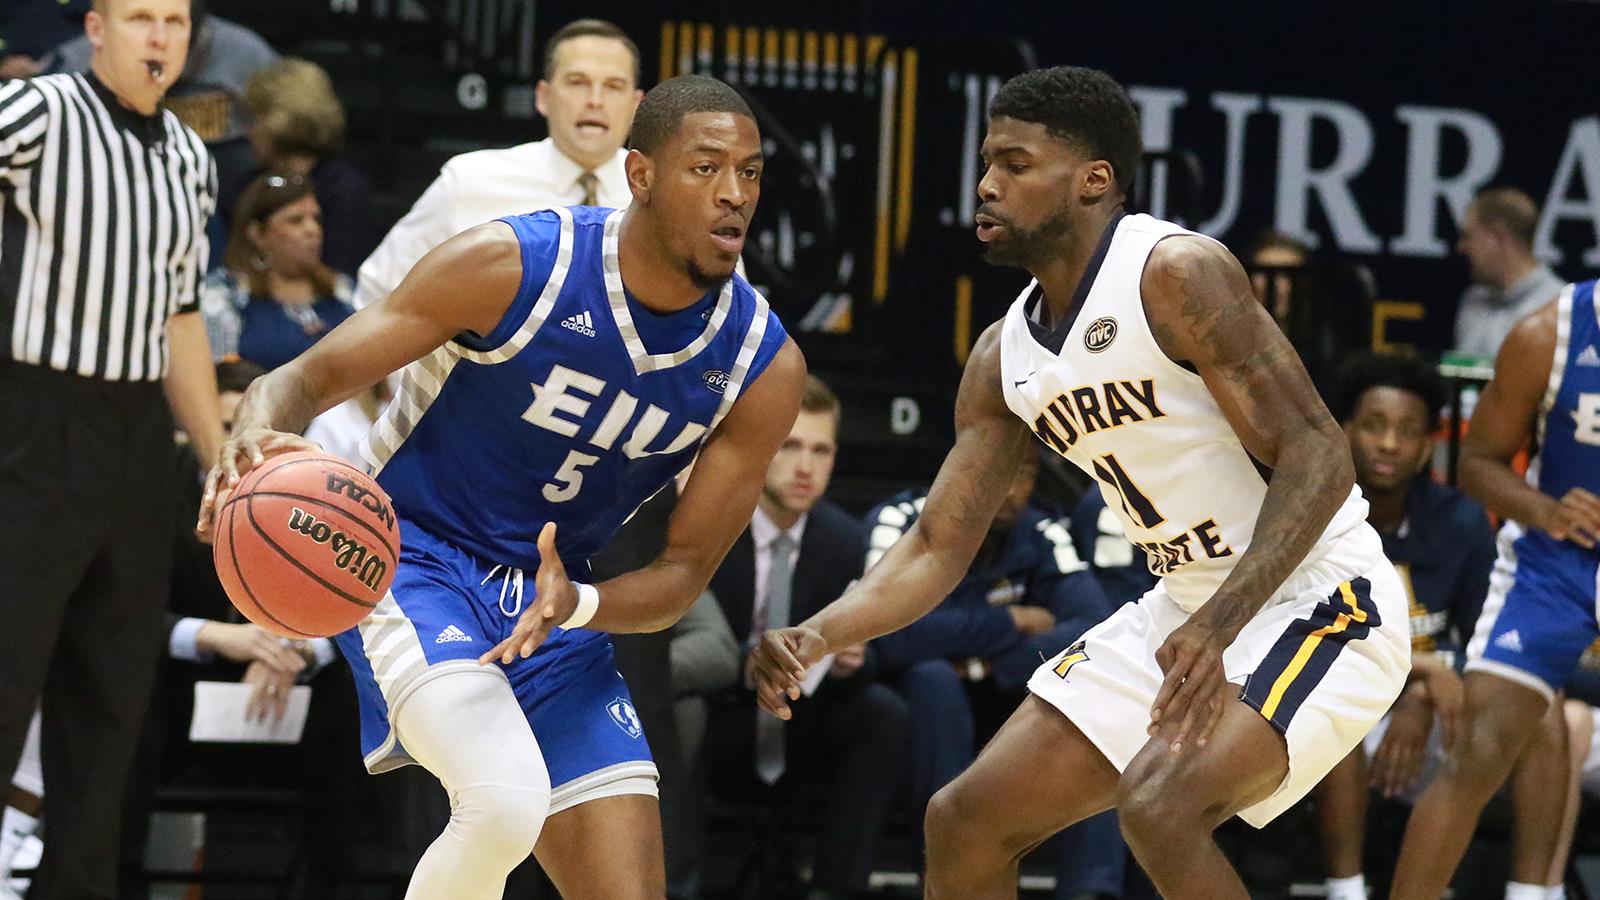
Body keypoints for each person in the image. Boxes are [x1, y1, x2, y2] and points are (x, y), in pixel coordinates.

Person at [750, 65, 1411, 900]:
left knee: (1160, 808)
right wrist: (820, 631)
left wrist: (1220, 619)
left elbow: (1320, 451)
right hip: (1186, 609)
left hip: (1319, 595)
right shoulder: (1003, 357)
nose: (987, 185)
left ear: (1093, 181)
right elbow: (936, 543)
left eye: (1016, 164)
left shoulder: (1173, 274)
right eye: (987, 162)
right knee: (964, 821)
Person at [196, 74, 804, 900]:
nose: (734, 194)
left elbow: (679, 580)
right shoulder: (517, 264)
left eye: (751, 171)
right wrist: (250, 441)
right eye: (705, 168)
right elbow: (301, 379)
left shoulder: (759, 368)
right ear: (641, 176)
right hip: (405, 558)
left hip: (548, 602)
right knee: (503, 800)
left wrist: (577, 606)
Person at [0, 1, 223, 896]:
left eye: (173, 20)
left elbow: (181, 316)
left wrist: (215, 456)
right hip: (34, 418)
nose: (159, 36)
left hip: (139, 437)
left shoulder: (192, 158)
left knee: (111, 700)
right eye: (140, 17)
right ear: (96, 29)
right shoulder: (43, 109)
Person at [1388, 279, 1600, 900]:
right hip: (1552, 567)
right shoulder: (1547, 335)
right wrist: (1545, 509)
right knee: (1481, 746)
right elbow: (1477, 462)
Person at [701, 375, 911, 900]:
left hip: (799, 716)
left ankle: (839, 888)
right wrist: (746, 666)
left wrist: (853, 659)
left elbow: (881, 648)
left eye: (821, 450)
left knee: (883, 712)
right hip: (721, 711)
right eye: (790, 446)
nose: (805, 467)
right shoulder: (712, 524)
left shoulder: (844, 538)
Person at [1305, 352, 1496, 900]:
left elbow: (1487, 640)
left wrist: (1419, 696)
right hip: (1328, 698)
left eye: (1407, 432)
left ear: (1426, 449)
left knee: (1508, 720)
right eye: (1374, 425)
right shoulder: (1311, 513)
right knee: (1338, 719)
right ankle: (1347, 890)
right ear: (1343, 432)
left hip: (1432, 709)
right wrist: (1417, 673)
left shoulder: (1460, 522)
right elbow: (1299, 632)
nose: (1390, 443)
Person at [868, 452, 1115, 825]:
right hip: (911, 694)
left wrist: (983, 666)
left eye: (1024, 475)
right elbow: (890, 634)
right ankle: (942, 849)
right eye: (999, 473)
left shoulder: (1042, 529)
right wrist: (1011, 620)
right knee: (933, 676)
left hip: (1003, 688)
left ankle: (1089, 883)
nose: (1011, 491)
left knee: (1089, 685)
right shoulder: (901, 519)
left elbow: (1094, 625)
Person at [355, 17, 642, 310]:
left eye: (613, 86)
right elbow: (379, 291)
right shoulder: (471, 181)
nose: (595, 100)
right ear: (543, 97)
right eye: (577, 82)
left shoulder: (661, 194)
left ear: (636, 105)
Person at [243, 57, 379, 277]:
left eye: (254, 119)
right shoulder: (251, 184)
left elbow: (343, 273)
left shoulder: (343, 189)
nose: (249, 132)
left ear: (278, 122)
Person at [1452, 188, 1566, 360]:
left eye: (1468, 237)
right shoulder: (1472, 301)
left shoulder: (1561, 308)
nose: (1461, 247)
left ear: (1498, 238)